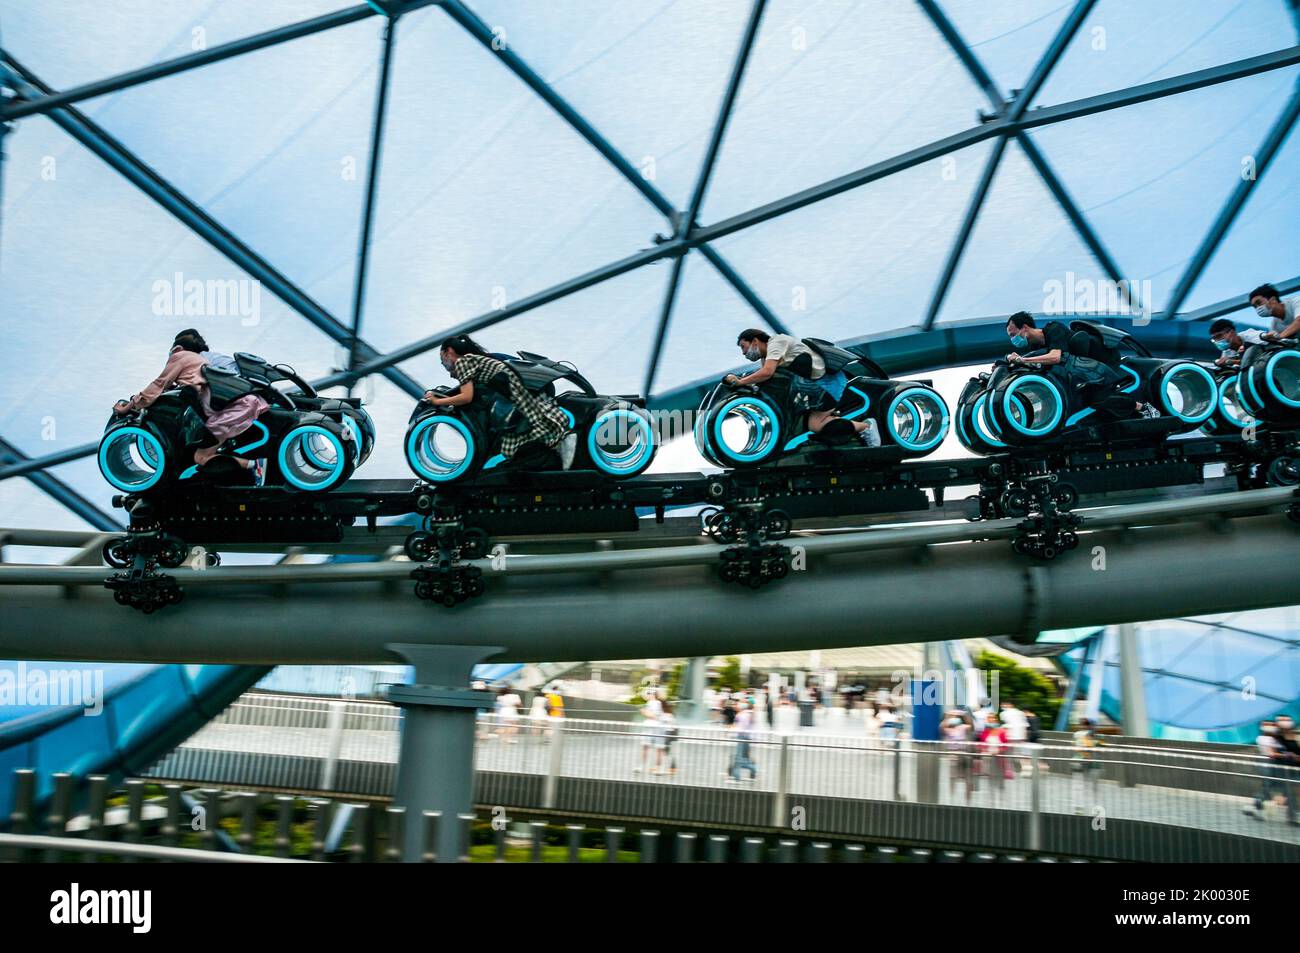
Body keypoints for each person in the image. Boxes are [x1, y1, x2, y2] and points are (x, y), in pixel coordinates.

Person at [113, 329, 269, 468]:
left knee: (201, 457)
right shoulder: (201, 362)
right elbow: (174, 388)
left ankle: (254, 467)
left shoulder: (180, 355)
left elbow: (159, 384)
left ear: (177, 348)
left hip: (236, 406)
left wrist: (128, 407)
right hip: (244, 403)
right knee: (204, 454)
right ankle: (253, 466)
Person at [423, 334, 577, 469]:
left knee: (532, 430)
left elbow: (467, 396)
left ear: (449, 352)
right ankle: (557, 446)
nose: (447, 370)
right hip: (520, 391)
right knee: (519, 439)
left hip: (518, 392)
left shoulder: (463, 362)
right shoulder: (480, 358)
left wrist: (437, 401)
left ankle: (562, 441)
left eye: (442, 362)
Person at [724, 329, 881, 446]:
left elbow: (767, 373)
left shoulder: (776, 342)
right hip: (813, 385)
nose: (744, 353)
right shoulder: (767, 357)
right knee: (816, 426)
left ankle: (866, 427)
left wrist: (740, 381)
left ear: (755, 341)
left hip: (827, 382)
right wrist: (742, 381)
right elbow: (763, 377)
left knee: (816, 423)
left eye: (744, 347)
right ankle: (859, 428)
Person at [1004, 311, 1158, 420]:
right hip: (1083, 372)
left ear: (1024, 328)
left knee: (1096, 399)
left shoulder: (1053, 329)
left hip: (1101, 361)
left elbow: (1056, 357)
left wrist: (1022, 360)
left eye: (1013, 334)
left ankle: (1142, 407)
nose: (1012, 339)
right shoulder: (1035, 349)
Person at [727, 701, 758, 782]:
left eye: (737, 706)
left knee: (738, 759)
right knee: (744, 758)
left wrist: (730, 731)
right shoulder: (750, 715)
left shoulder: (740, 715)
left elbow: (739, 727)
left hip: (741, 737)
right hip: (748, 738)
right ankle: (753, 770)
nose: (735, 707)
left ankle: (737, 778)